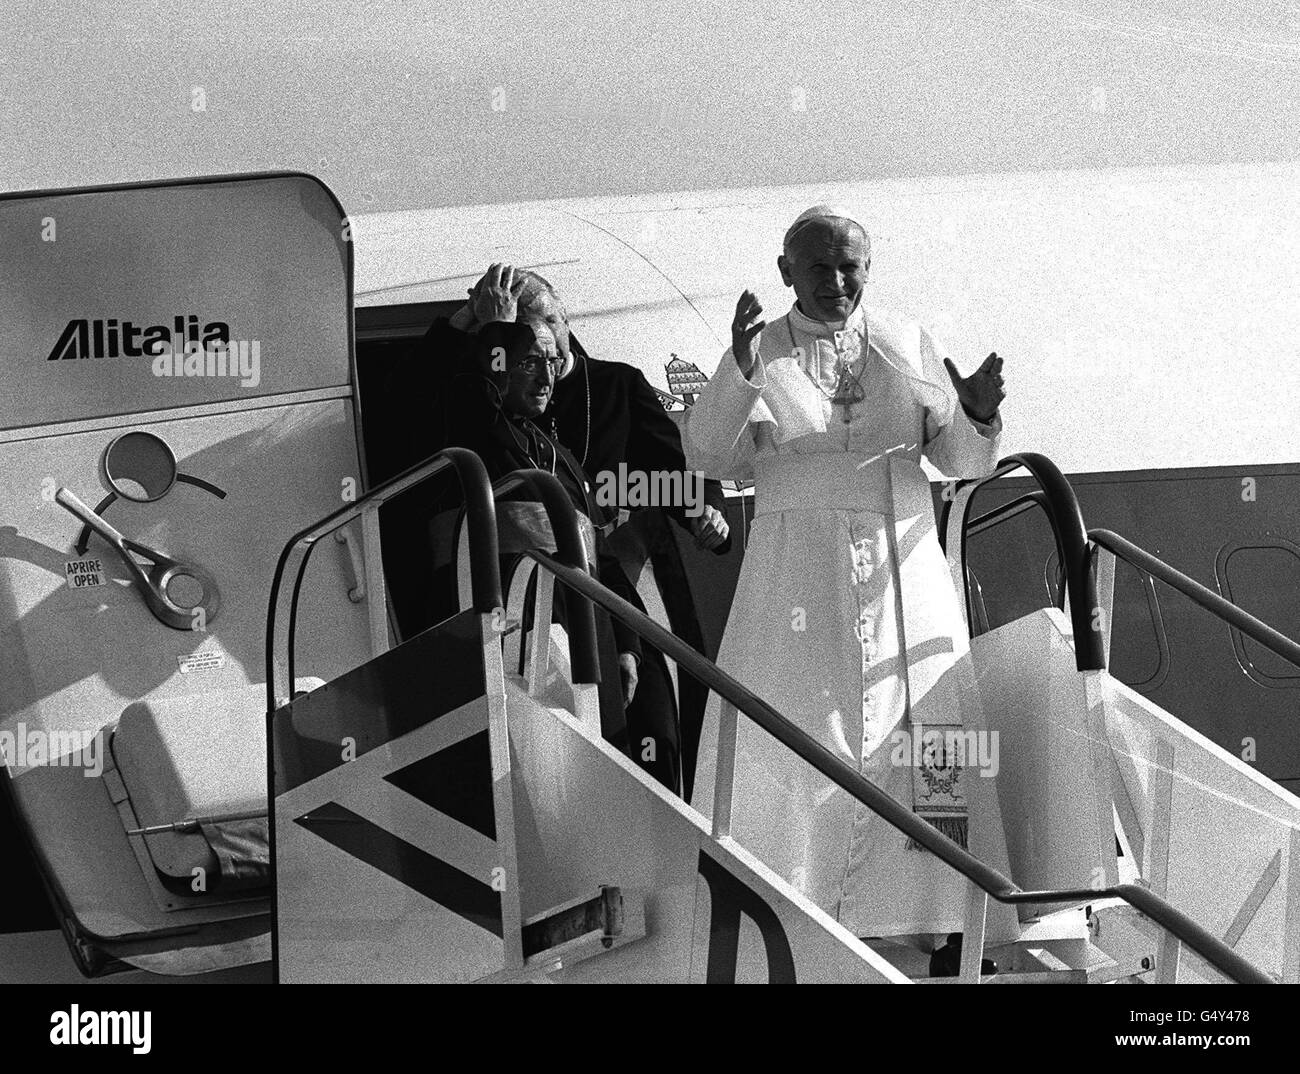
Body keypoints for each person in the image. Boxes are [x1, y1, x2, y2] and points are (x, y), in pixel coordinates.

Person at [683, 205, 1020, 960]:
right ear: (785, 273)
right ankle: (790, 906)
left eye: (851, 266)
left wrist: (981, 414)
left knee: (930, 738)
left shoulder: (908, 343)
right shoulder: (761, 350)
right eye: (819, 268)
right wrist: (737, 370)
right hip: (796, 576)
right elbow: (707, 454)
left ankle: (939, 917)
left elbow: (962, 461)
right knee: (798, 734)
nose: (837, 282)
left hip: (904, 565)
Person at [394, 263, 731, 795]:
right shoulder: (476, 406)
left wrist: (699, 512)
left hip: (605, 573)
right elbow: (432, 398)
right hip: (521, 592)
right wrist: (472, 324)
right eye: (530, 341)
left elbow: (660, 477)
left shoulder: (614, 386)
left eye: (553, 323)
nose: (548, 356)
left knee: (649, 718)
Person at [431, 287, 645, 753]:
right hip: (523, 627)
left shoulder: (556, 451)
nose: (546, 378)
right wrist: (495, 326)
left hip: (590, 632)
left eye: (552, 363)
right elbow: (472, 397)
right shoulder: (480, 430)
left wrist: (625, 640)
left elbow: (597, 552)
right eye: (528, 362)